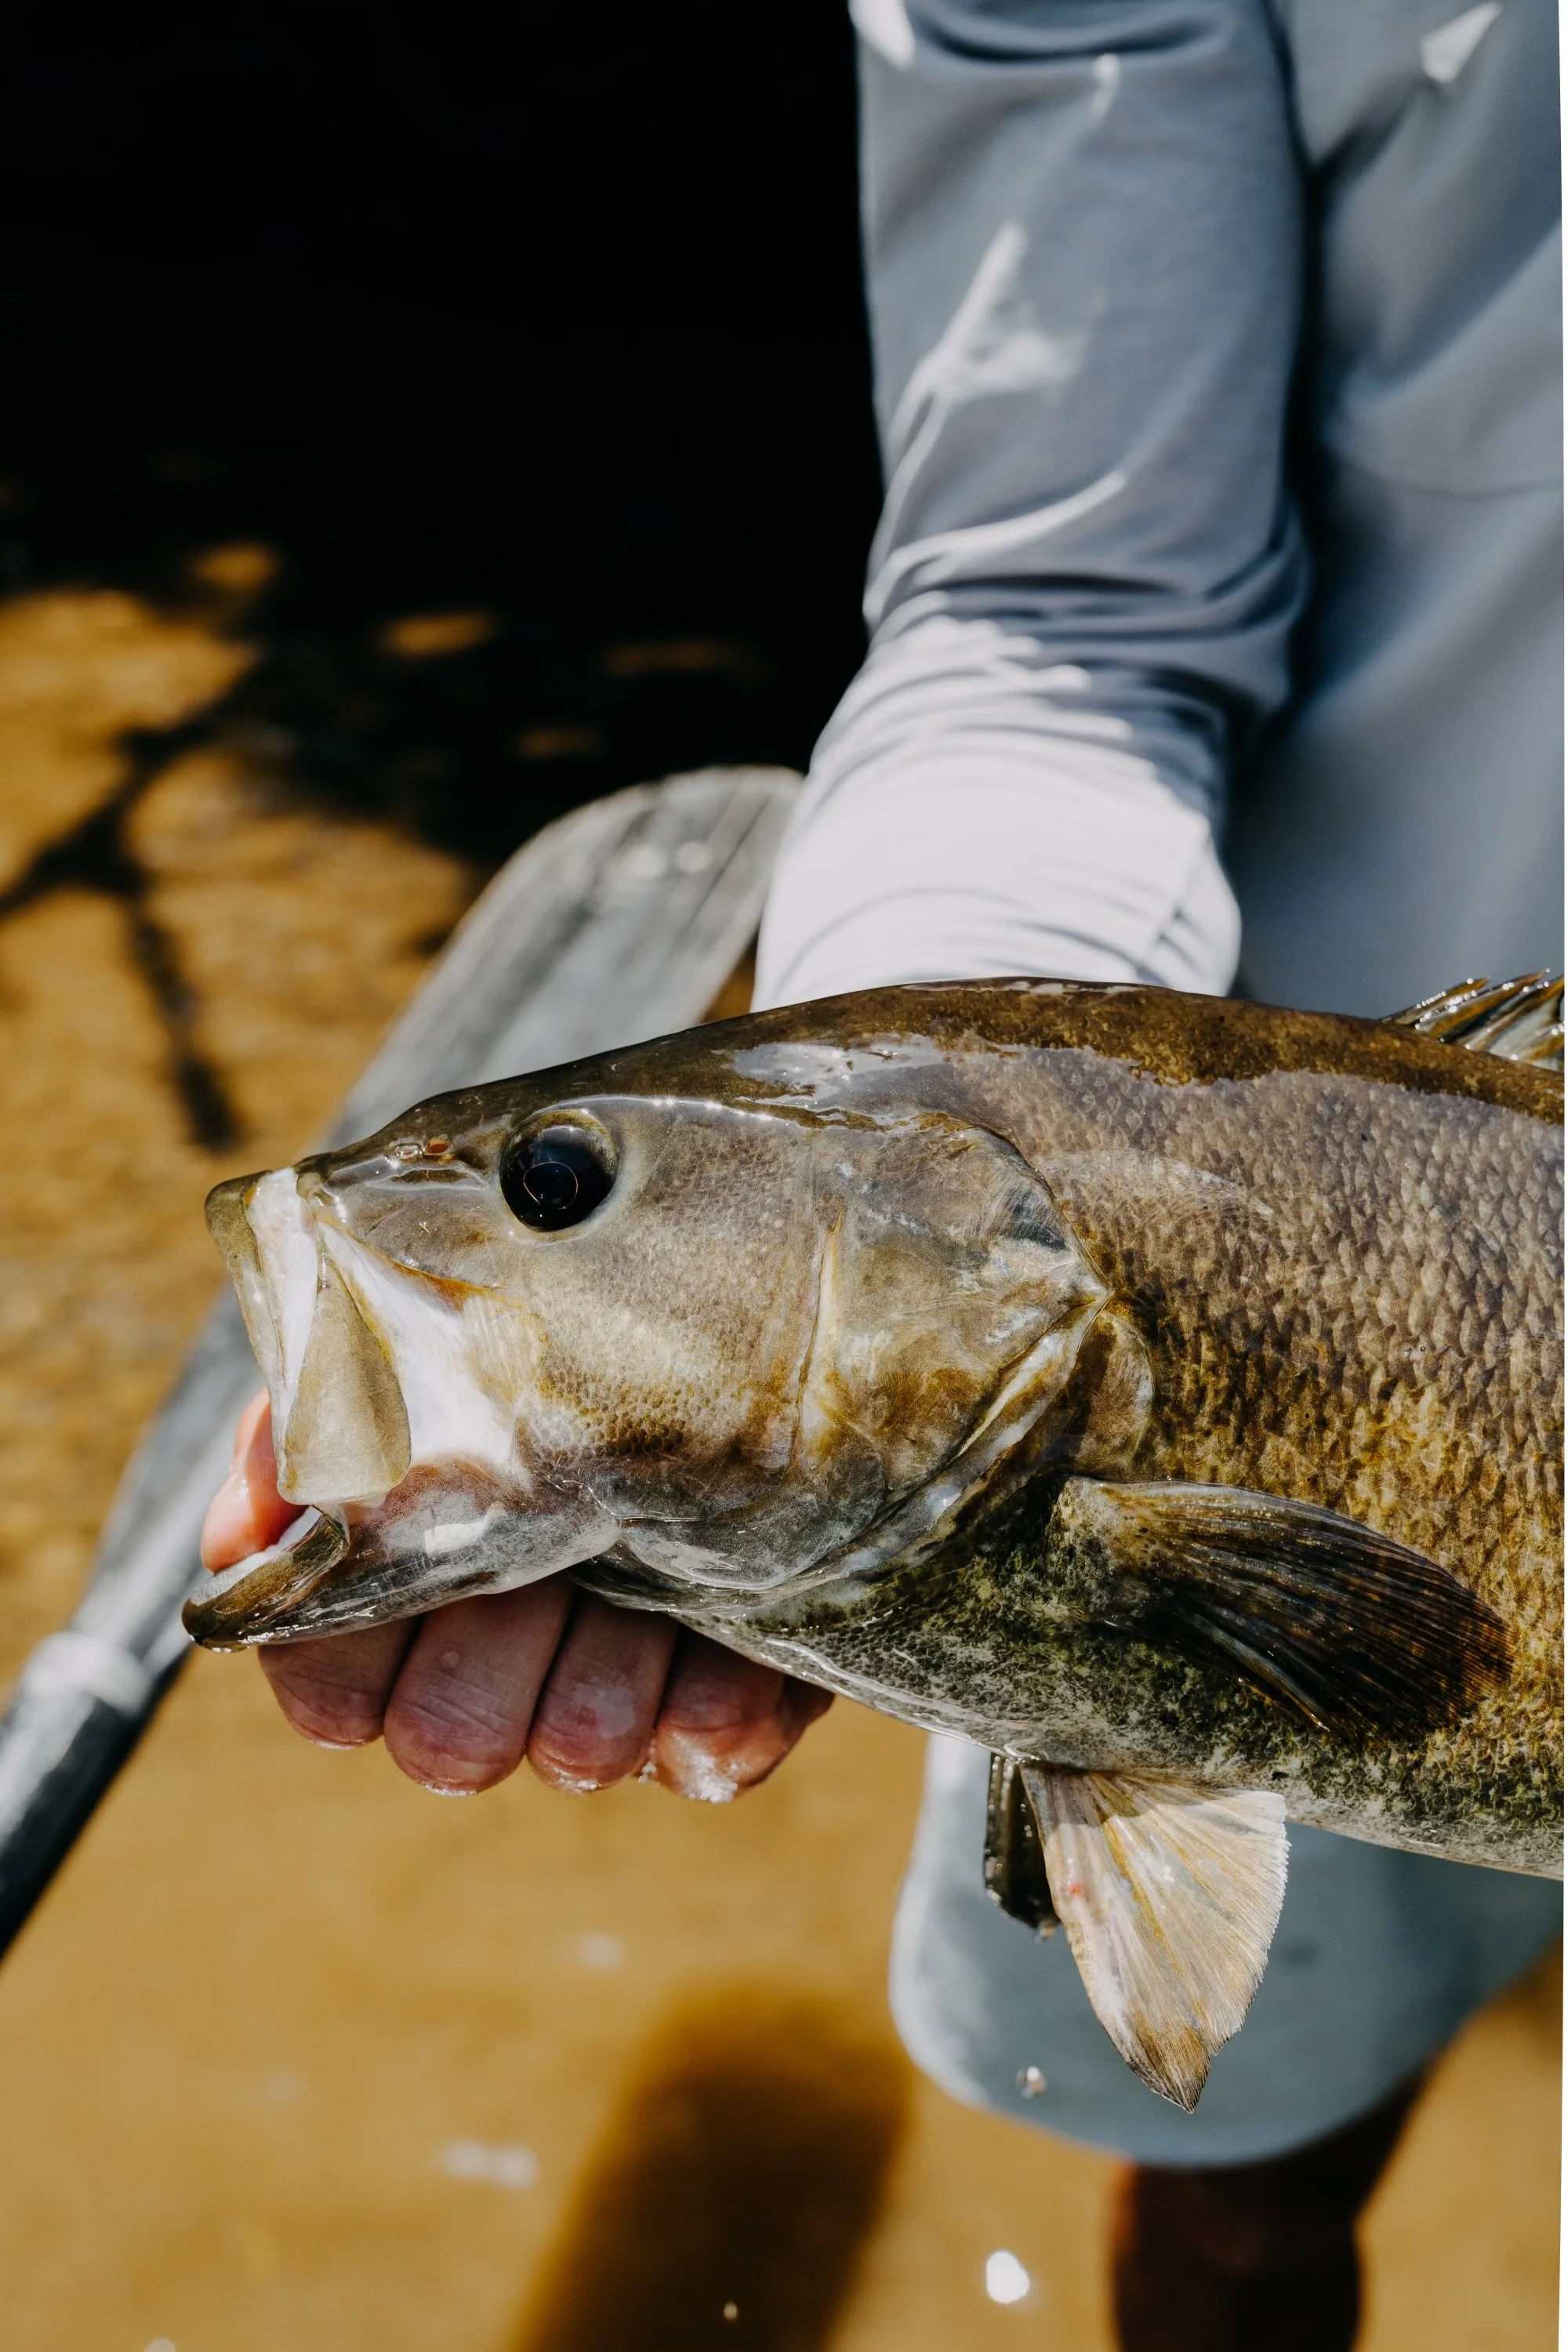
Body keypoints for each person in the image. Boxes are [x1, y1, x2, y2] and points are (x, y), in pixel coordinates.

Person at [202, 3, 1563, 2343]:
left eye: (548, 1186)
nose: (467, 1221)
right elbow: (1063, 600)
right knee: (1224, 2169)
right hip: (1243, 1203)